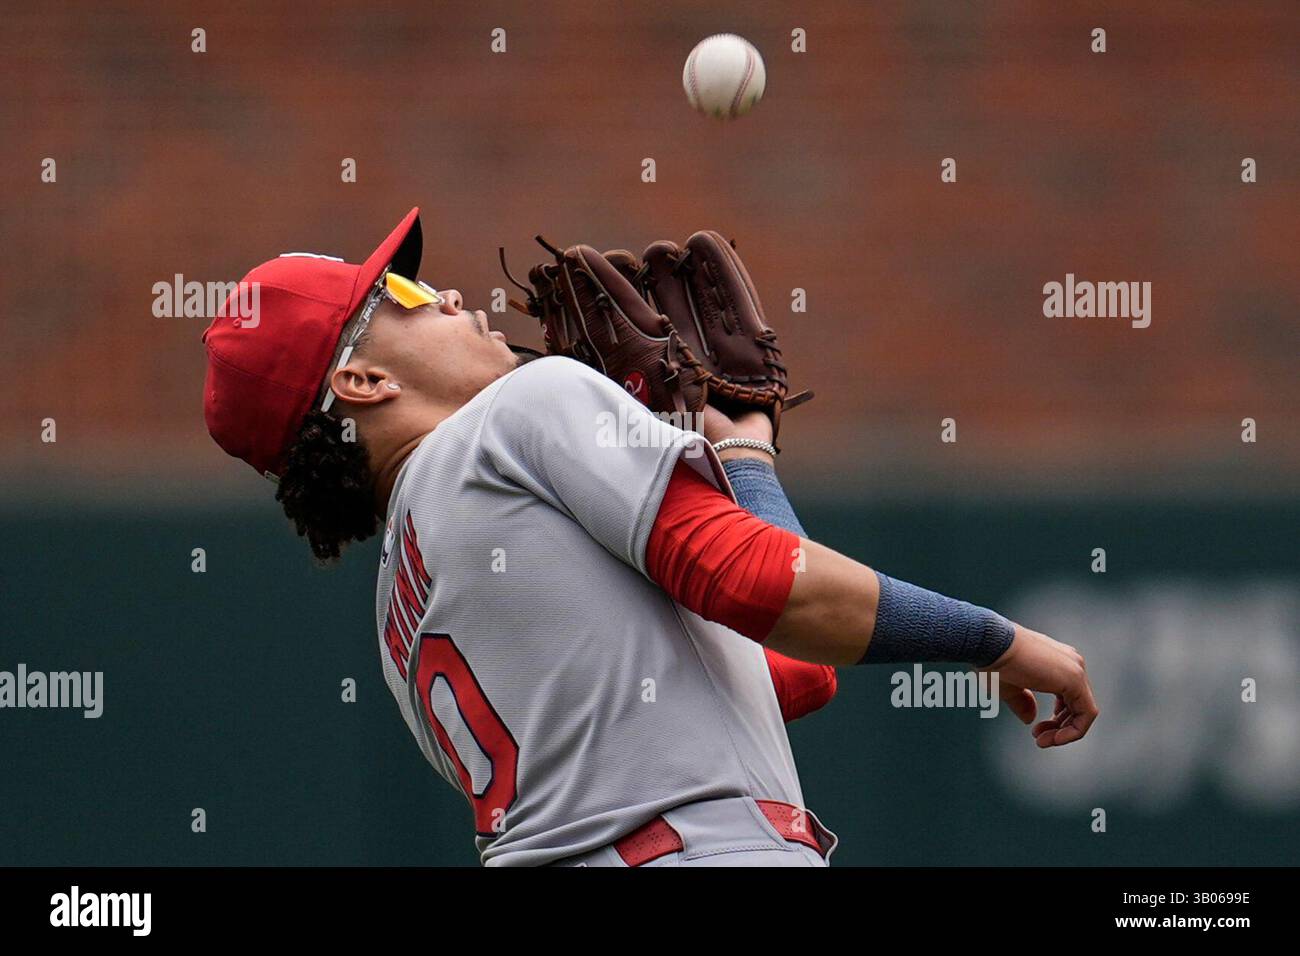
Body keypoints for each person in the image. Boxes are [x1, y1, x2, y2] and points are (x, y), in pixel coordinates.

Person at [202, 208, 1099, 866]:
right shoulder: (525, 405)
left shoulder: (402, 599)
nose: (441, 293)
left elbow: (791, 666)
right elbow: (765, 588)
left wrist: (742, 454)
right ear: (360, 381)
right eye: (398, 293)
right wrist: (1001, 641)